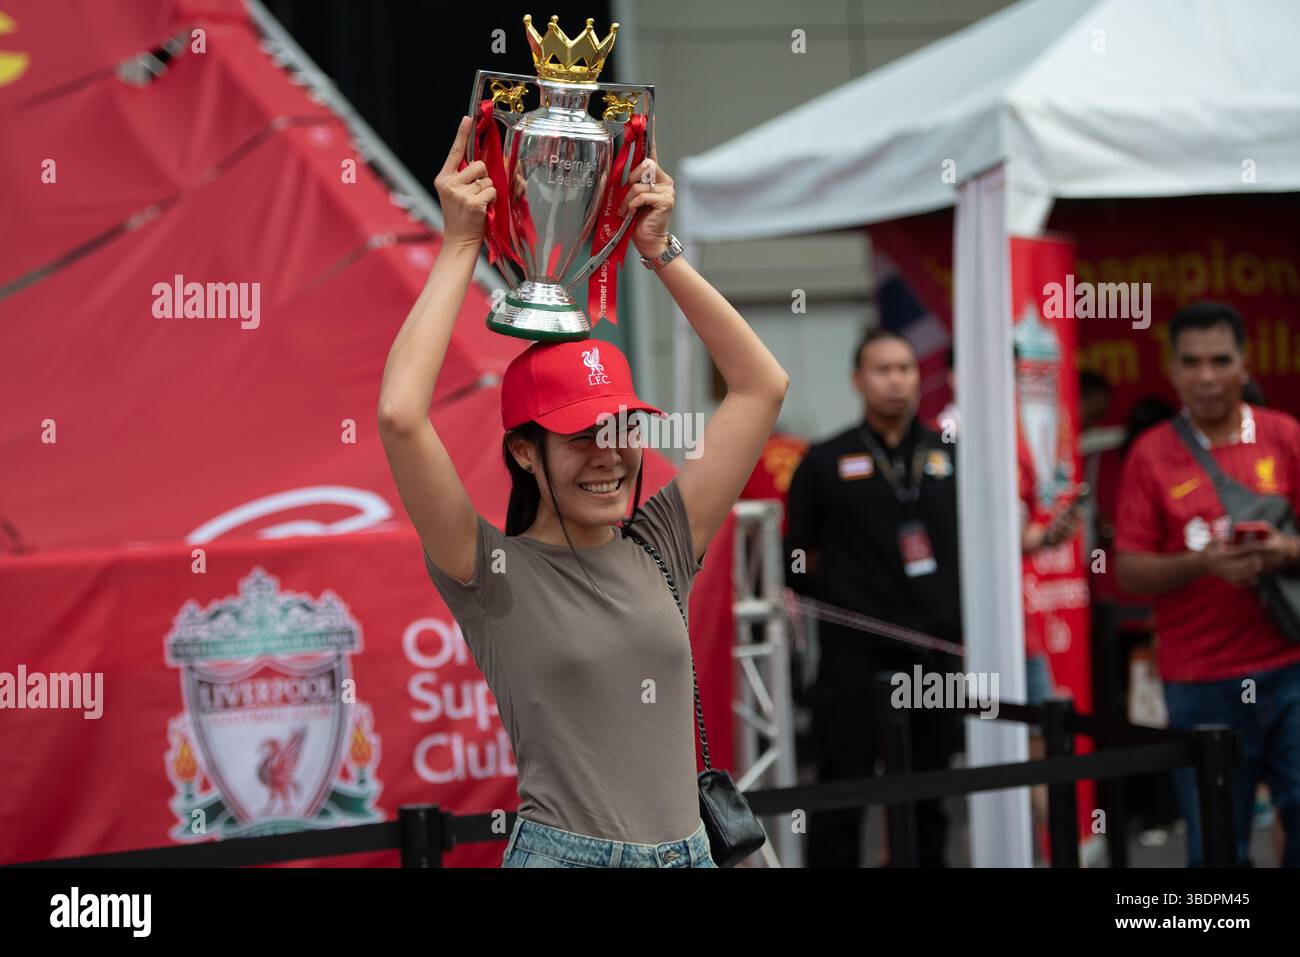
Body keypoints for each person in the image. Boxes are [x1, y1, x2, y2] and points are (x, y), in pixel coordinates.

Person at [378, 117, 789, 868]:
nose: (611, 455)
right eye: (579, 435)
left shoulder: (662, 539)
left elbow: (762, 385)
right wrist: (460, 247)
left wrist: (661, 254)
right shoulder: (486, 569)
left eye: (623, 427)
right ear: (524, 452)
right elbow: (402, 417)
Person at [1115, 301, 1300, 867]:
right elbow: (1127, 570)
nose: (1206, 375)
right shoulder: (1151, 455)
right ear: (1171, 370)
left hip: (1290, 667)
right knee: (1217, 845)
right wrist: (1203, 564)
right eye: (1191, 362)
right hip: (1200, 682)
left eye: (1221, 360)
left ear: (1245, 364)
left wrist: (1284, 551)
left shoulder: (1284, 436)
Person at [786, 328, 962, 867]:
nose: (896, 381)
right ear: (858, 380)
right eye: (882, 370)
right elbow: (797, 557)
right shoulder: (824, 460)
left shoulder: (949, 456)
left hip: (934, 653)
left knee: (929, 790)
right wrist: (846, 599)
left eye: (905, 368)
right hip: (854, 656)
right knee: (843, 788)